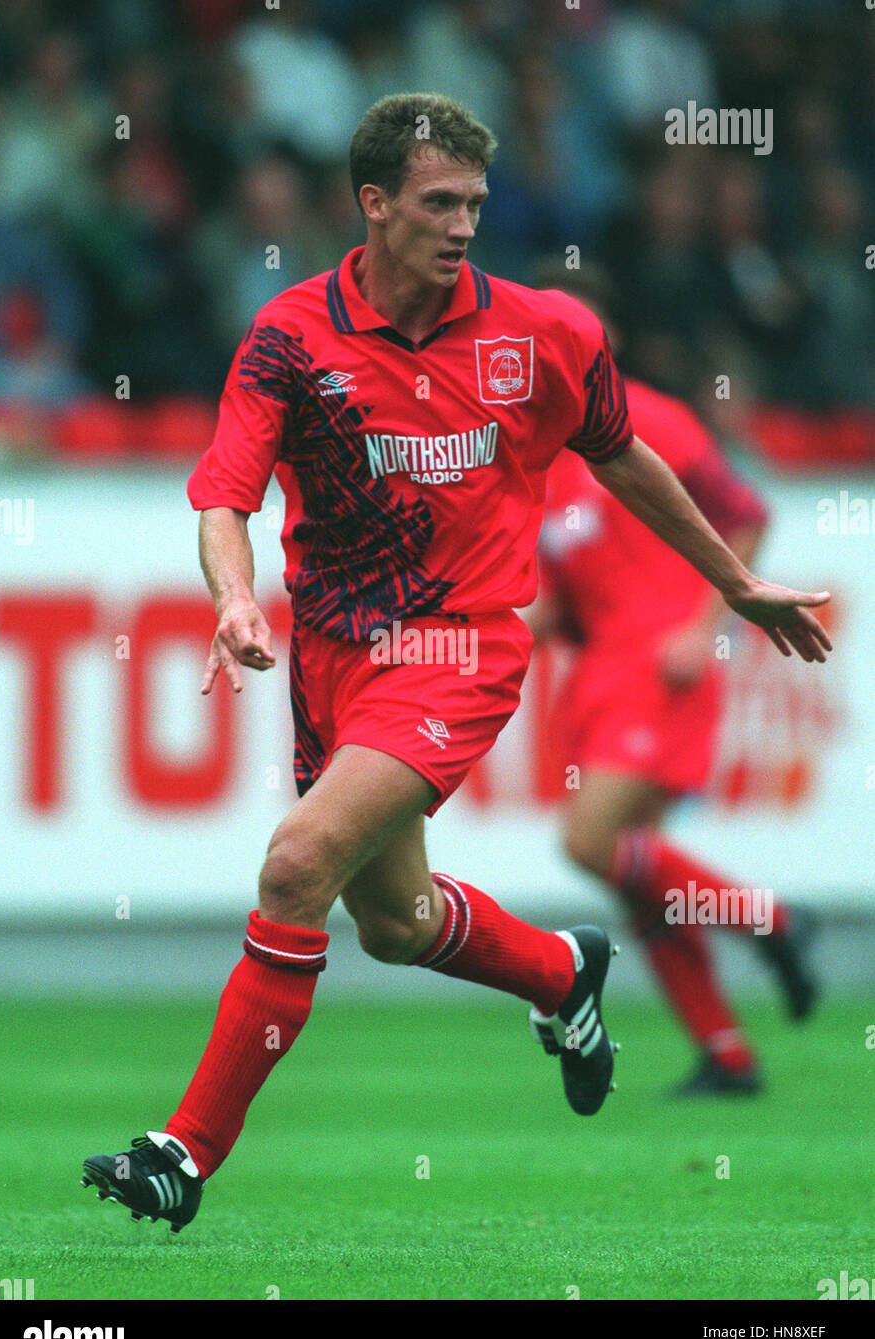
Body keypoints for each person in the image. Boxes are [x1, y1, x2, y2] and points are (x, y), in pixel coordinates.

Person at [81, 94, 830, 1232]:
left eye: (474, 202)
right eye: (438, 202)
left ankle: (181, 1154)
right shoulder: (289, 338)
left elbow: (624, 458)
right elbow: (225, 496)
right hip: (331, 654)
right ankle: (560, 975)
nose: (462, 223)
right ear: (372, 205)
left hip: (454, 651)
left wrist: (728, 585)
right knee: (393, 922)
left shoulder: (544, 333)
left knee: (294, 869)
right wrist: (234, 598)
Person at [528, 263, 819, 1097]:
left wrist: (704, 629)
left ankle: (771, 921)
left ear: (602, 343)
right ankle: (726, 1054)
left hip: (661, 669)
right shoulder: (538, 456)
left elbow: (749, 514)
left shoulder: (651, 419)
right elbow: (556, 602)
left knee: (589, 841)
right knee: (638, 872)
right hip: (602, 679)